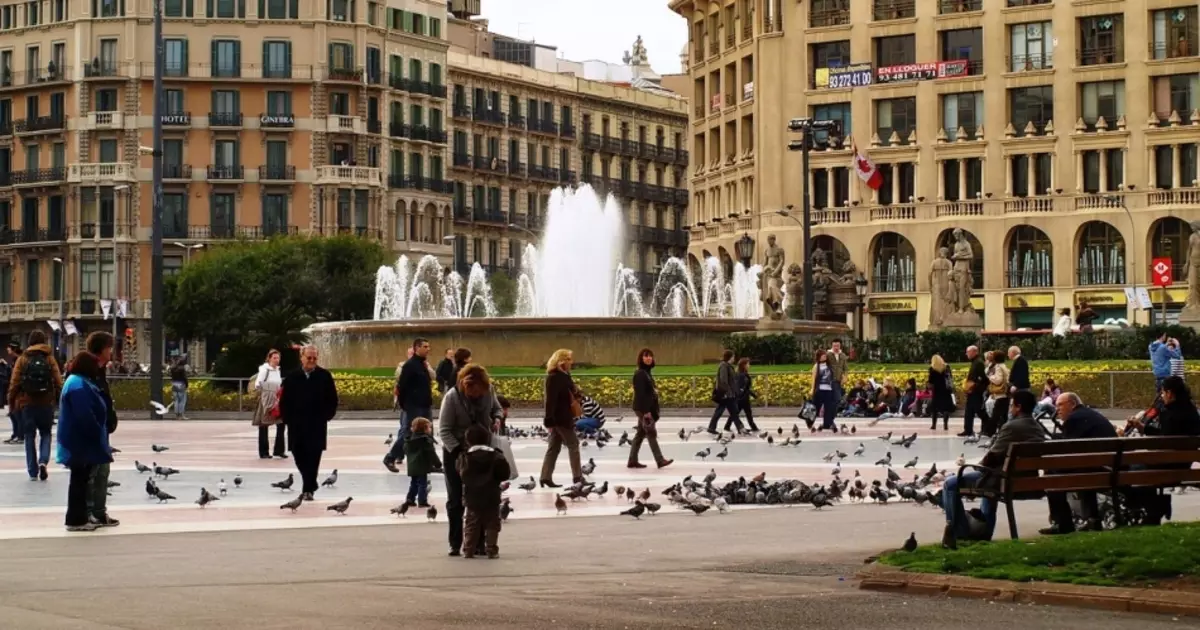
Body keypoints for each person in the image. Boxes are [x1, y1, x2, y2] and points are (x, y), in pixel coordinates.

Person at [941, 390, 1046, 548]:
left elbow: (991, 457)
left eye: (1012, 405)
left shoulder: (1011, 427)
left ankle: (960, 532)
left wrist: (981, 465)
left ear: (1018, 407)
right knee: (991, 481)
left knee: (950, 484)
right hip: (1026, 481)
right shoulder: (1038, 428)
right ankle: (984, 533)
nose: (1010, 408)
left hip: (1006, 481)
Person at [438, 363, 502, 557]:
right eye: (472, 393)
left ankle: (480, 543)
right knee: (456, 498)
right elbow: (444, 430)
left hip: (482, 451)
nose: (476, 396)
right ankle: (455, 542)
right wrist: (459, 453)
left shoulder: (488, 391)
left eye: (479, 393)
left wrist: (497, 418)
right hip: (456, 451)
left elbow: (496, 409)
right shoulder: (452, 398)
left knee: (481, 498)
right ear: (464, 385)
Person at [1125, 376, 1200, 525]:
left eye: (1163, 393)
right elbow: (1167, 437)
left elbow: (1161, 442)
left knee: (1126, 471)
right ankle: (1156, 507)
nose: (1162, 396)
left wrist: (1142, 431)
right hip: (1182, 465)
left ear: (1170, 393)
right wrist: (1143, 428)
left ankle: (1153, 509)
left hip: (1164, 466)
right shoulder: (1191, 411)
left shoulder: (1169, 413)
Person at [1041, 392, 1117, 535]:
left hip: (1096, 469)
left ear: (1072, 404)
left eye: (1060, 405)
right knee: (1083, 470)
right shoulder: (1091, 414)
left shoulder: (1074, 418)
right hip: (1109, 467)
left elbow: (1066, 449)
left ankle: (1062, 523)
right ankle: (1092, 519)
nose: (1057, 409)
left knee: (1051, 473)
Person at [56, 351, 111, 532]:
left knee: (81, 479)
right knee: (79, 481)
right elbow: (84, 414)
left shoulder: (77, 382)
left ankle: (79, 517)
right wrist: (96, 431)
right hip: (79, 440)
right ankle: (76, 520)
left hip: (78, 439)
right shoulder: (78, 384)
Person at [279, 346, 339, 501]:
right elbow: (284, 402)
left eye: (314, 358)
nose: (312, 361)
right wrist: (287, 419)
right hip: (296, 425)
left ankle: (307, 490)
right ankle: (311, 482)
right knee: (298, 454)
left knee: (313, 457)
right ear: (301, 357)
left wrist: (326, 416)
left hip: (317, 424)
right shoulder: (292, 377)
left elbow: (333, 400)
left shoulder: (324, 376)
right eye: (309, 358)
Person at [8, 330, 63, 481]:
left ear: (30, 342)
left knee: (29, 436)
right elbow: (58, 381)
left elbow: (14, 383)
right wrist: (60, 400)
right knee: (45, 434)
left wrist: (11, 402)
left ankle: (32, 471)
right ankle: (43, 461)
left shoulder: (23, 359)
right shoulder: (49, 358)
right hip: (46, 403)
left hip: (27, 403)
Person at [84, 332, 120, 528]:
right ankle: (90, 512)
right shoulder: (89, 370)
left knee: (103, 471)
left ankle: (99, 511)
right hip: (94, 428)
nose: (111, 351)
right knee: (93, 472)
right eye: (109, 347)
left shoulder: (101, 369)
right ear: (101, 349)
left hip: (102, 428)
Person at [458, 424, 510, 559]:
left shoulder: (465, 457)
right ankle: (491, 549)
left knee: (471, 522)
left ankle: (468, 549)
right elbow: (505, 474)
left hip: (472, 495)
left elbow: (461, 473)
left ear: (468, 440)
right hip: (491, 494)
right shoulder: (496, 455)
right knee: (492, 523)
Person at [384, 338, 433, 472]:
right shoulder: (410, 365)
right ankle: (390, 457)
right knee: (408, 433)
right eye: (425, 346)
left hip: (425, 405)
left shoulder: (423, 364)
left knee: (428, 433)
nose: (428, 349)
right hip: (414, 406)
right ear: (417, 348)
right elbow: (402, 387)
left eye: (428, 346)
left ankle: (429, 462)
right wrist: (405, 405)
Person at [540, 348, 583, 488]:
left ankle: (545, 476)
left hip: (562, 416)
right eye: (569, 359)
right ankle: (578, 477)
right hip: (560, 418)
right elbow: (550, 401)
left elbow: (571, 392)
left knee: (554, 447)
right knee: (573, 444)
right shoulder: (554, 378)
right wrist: (549, 419)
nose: (572, 362)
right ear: (561, 361)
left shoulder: (564, 376)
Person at [628, 348, 672, 470]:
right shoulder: (640, 374)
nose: (648, 358)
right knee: (651, 432)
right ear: (641, 359)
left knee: (640, 433)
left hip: (645, 408)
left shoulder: (646, 373)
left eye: (650, 356)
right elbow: (641, 394)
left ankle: (632, 460)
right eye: (645, 356)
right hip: (643, 409)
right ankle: (660, 460)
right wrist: (647, 412)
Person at [251, 349, 286, 459]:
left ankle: (279, 450)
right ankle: (264, 452)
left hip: (277, 399)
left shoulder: (277, 370)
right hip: (267, 400)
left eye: (278, 358)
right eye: (274, 358)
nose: (277, 360)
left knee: (281, 423)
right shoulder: (265, 370)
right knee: (264, 425)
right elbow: (258, 384)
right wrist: (269, 390)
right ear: (269, 358)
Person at [404, 416, 442, 508]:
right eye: (429, 427)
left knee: (414, 483)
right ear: (424, 428)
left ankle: (410, 499)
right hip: (422, 465)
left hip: (412, 465)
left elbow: (405, 450)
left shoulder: (409, 440)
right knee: (422, 484)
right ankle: (422, 501)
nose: (430, 429)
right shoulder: (425, 440)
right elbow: (431, 453)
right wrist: (438, 464)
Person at [707, 350, 743, 434]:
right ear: (729, 357)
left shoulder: (728, 366)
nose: (734, 358)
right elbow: (723, 380)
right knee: (731, 411)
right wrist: (727, 391)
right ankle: (740, 428)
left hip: (729, 393)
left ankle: (712, 427)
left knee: (729, 411)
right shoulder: (724, 366)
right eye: (733, 356)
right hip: (726, 393)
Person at [960, 345, 987, 437]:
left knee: (979, 411)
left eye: (968, 352)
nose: (966, 354)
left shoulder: (979, 362)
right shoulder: (975, 362)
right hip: (972, 391)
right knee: (969, 411)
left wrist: (974, 386)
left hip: (976, 391)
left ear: (974, 352)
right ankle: (968, 430)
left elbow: (983, 377)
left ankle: (988, 427)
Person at [811, 350, 838, 431]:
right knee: (816, 408)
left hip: (829, 390)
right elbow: (813, 379)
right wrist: (812, 389)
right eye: (823, 356)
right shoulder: (816, 366)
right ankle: (810, 422)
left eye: (825, 355)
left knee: (829, 408)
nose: (824, 357)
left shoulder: (829, 366)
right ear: (819, 357)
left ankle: (827, 424)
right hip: (819, 390)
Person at [985, 350, 1010, 436]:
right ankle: (1004, 432)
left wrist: (990, 377)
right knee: (1003, 415)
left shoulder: (998, 367)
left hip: (1000, 394)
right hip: (1005, 393)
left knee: (995, 415)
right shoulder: (1004, 366)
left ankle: (990, 432)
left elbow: (998, 380)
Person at [928, 354, 954, 431]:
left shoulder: (932, 369)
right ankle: (945, 425)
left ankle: (934, 425)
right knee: (946, 408)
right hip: (946, 390)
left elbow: (930, 381)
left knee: (935, 408)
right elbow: (950, 377)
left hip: (936, 390)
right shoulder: (946, 367)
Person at [735, 358, 760, 432]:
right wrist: (752, 395)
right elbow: (743, 388)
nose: (749, 365)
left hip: (742, 397)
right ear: (744, 365)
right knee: (747, 413)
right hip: (743, 398)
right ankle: (753, 427)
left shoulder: (741, 374)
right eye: (748, 364)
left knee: (736, 413)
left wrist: (753, 395)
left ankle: (728, 426)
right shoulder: (742, 375)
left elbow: (745, 388)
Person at [0, 341, 15, 444]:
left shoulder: (18, 360)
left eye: (9, 349)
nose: (8, 351)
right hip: (12, 388)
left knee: (16, 415)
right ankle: (17, 434)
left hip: (15, 391)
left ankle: (19, 435)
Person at [827, 339, 849, 406]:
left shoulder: (842, 355)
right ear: (832, 346)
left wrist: (845, 377)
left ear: (840, 346)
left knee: (836, 398)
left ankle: (832, 412)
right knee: (837, 397)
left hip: (839, 379)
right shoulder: (828, 354)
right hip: (830, 379)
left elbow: (845, 368)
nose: (836, 347)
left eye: (838, 346)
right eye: (834, 346)